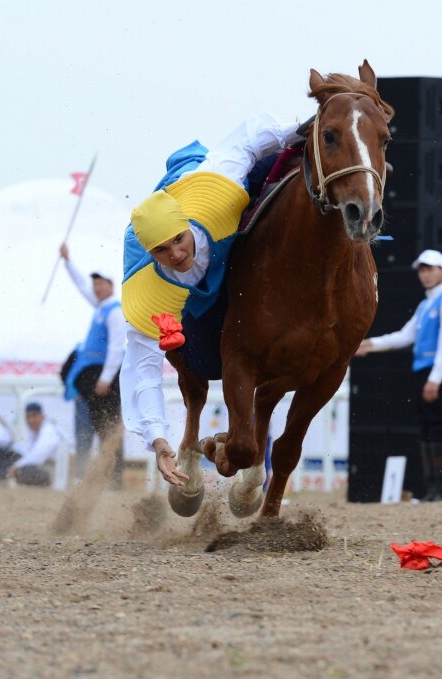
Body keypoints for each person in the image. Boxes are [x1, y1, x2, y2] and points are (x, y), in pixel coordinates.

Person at [120, 114, 303, 488]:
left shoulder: (219, 188)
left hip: (206, 195)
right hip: (180, 291)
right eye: (162, 250)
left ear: (186, 226)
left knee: (280, 167)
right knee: (194, 356)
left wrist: (306, 127)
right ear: (151, 253)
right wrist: (158, 440)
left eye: (178, 240)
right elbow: (142, 372)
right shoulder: (148, 295)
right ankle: (191, 429)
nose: (175, 253)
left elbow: (250, 136)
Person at [355, 249, 442, 501]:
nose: (425, 275)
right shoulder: (426, 304)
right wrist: (370, 345)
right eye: (422, 270)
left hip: (439, 373)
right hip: (425, 372)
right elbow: (405, 336)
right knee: (428, 430)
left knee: (441, 429)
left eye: (430, 269)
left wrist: (435, 379)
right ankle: (434, 489)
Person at [60, 243, 124, 485]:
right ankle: (99, 475)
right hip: (95, 377)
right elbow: (80, 286)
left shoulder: (114, 312)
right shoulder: (100, 308)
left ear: (111, 285)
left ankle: (114, 477)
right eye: (95, 284)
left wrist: (105, 379)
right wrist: (68, 261)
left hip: (103, 378)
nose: (96, 288)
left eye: (101, 283)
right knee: (99, 425)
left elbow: (117, 347)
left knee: (108, 427)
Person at [7, 403, 63, 487]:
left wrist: (16, 466)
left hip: (51, 470)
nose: (31, 420)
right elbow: (28, 452)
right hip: (40, 466)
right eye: (28, 417)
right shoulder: (35, 432)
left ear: (42, 416)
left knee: (24, 472)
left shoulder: (48, 431)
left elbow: (37, 457)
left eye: (34, 416)